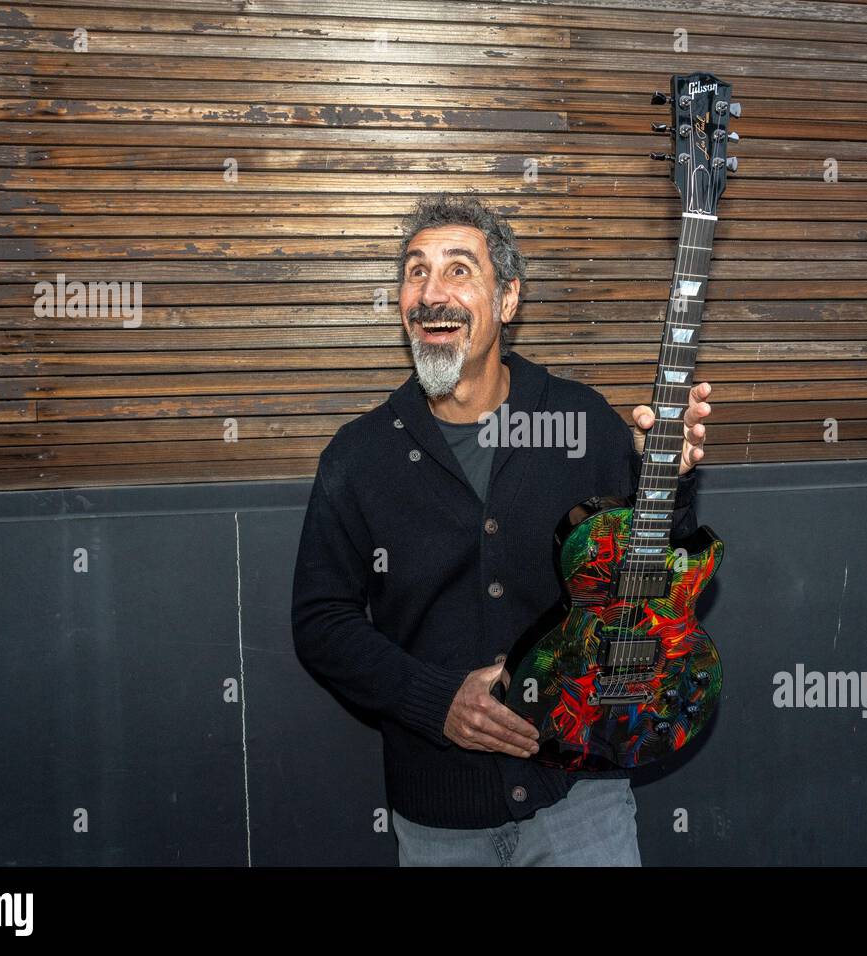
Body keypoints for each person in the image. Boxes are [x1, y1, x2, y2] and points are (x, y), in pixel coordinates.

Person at [291, 192, 713, 866]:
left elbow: (653, 576)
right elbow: (321, 621)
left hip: (582, 804)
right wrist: (438, 702)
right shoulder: (358, 455)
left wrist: (673, 475)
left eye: (459, 270)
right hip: (438, 822)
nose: (432, 293)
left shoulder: (579, 421)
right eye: (415, 270)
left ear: (509, 300)